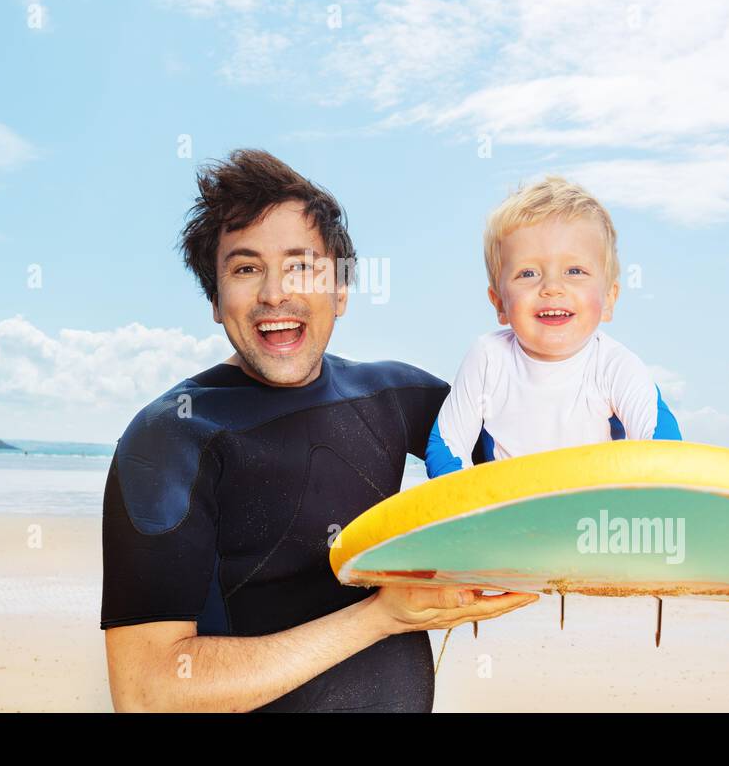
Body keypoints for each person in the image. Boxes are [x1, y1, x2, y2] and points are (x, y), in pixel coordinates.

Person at [101, 149, 538, 712]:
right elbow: (147, 692)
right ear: (215, 298)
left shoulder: (394, 397)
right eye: (245, 267)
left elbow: (535, 465)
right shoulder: (171, 439)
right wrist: (381, 616)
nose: (275, 293)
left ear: (341, 289)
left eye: (302, 265)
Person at [425, 175, 681, 478]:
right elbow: (446, 446)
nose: (552, 288)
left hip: (596, 514)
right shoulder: (488, 357)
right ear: (500, 304)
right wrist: (467, 512)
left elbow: (663, 450)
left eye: (575, 271)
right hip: (509, 513)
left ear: (609, 298)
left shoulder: (615, 365)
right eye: (528, 273)